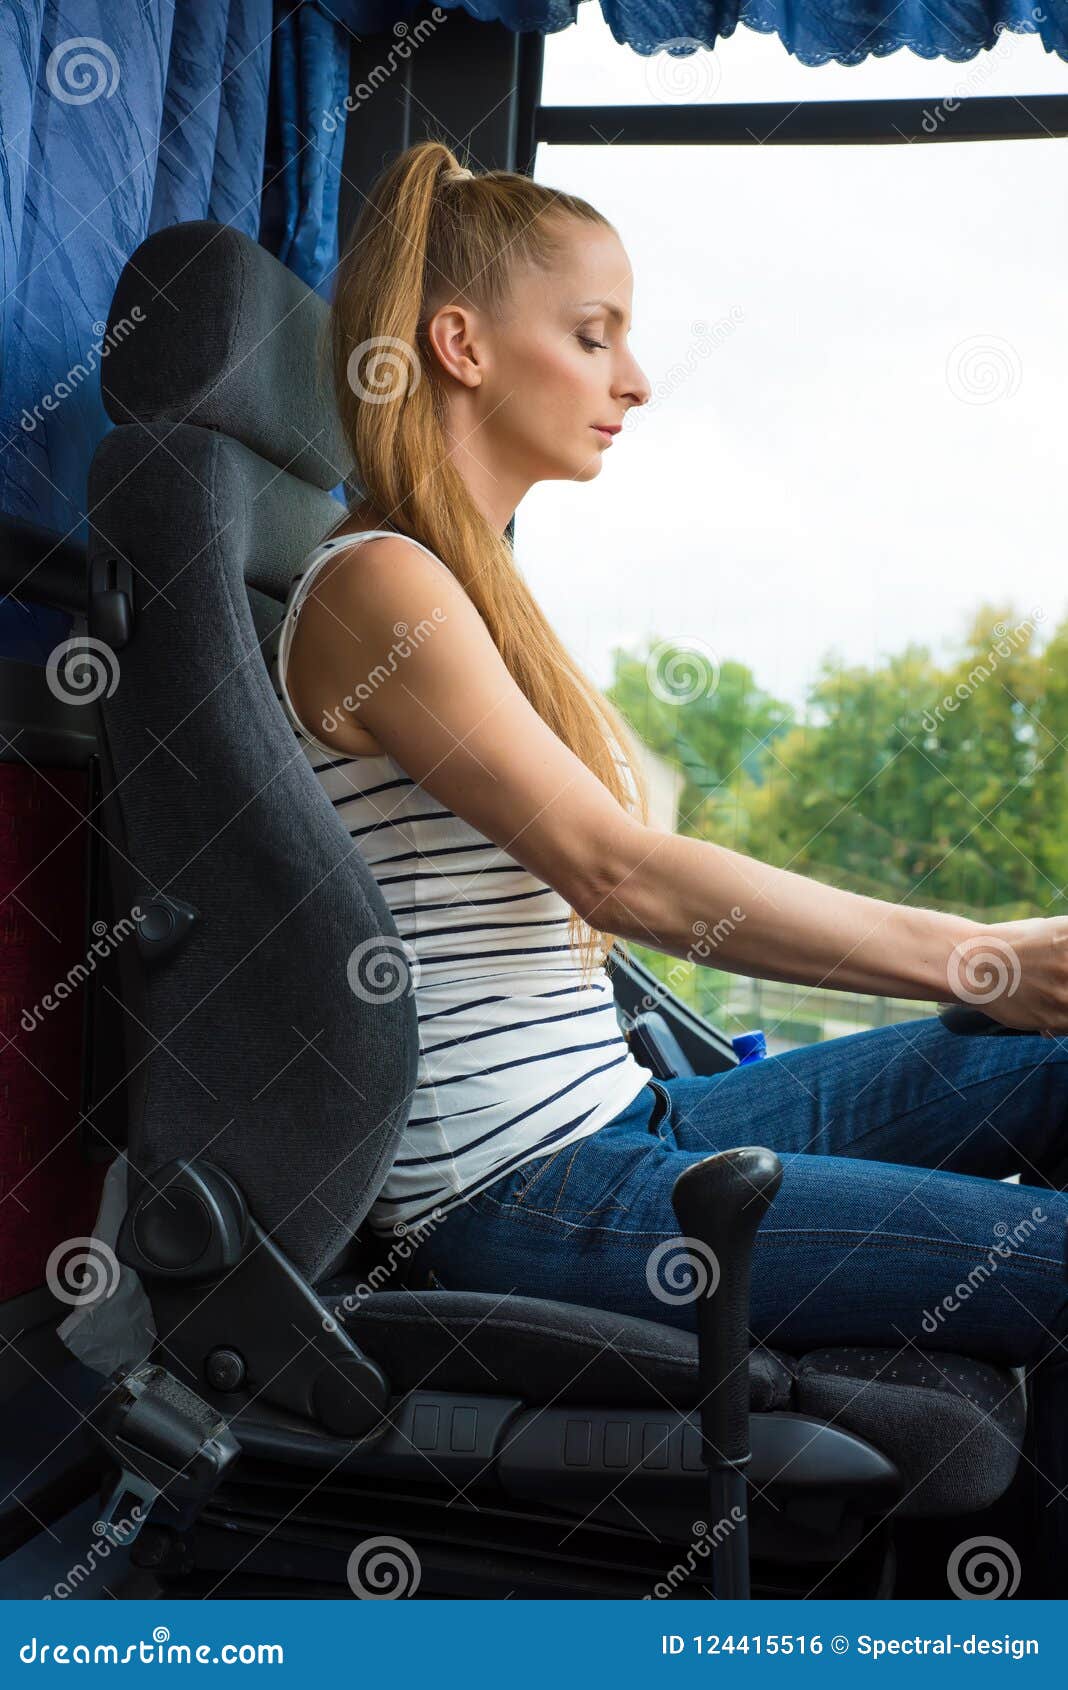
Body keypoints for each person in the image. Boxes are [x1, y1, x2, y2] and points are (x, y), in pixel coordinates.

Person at [273, 139, 1068, 1592]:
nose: (634, 377)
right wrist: (985, 954)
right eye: (594, 336)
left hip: (630, 1119)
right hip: (522, 1199)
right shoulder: (377, 582)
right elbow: (623, 874)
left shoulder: (472, 588)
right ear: (459, 346)